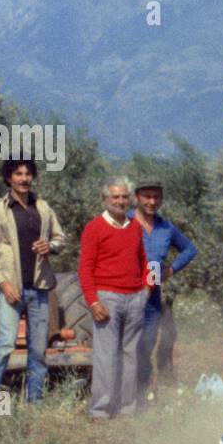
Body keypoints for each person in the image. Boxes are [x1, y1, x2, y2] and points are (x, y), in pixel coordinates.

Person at [0, 159, 66, 407]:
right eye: (18, 174)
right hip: (11, 289)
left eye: (28, 174)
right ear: (9, 178)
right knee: (5, 344)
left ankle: (34, 400)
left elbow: (61, 238)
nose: (24, 178)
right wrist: (3, 285)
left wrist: (51, 246)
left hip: (39, 288)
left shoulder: (43, 208)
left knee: (38, 349)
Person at [79, 178, 149, 419]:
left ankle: (128, 410)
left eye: (124, 197)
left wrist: (147, 287)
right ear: (105, 200)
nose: (121, 201)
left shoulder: (135, 227)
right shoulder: (94, 228)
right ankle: (100, 411)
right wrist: (93, 301)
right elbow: (85, 268)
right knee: (106, 356)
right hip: (107, 297)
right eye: (115, 197)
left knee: (132, 357)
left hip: (136, 297)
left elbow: (143, 259)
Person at [129, 180, 197, 402]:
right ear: (137, 197)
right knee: (127, 347)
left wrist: (172, 269)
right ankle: (122, 397)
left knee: (146, 347)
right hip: (126, 293)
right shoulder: (125, 222)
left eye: (156, 197)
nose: (152, 201)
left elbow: (189, 249)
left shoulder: (166, 227)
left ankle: (141, 399)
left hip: (153, 298)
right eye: (147, 196)